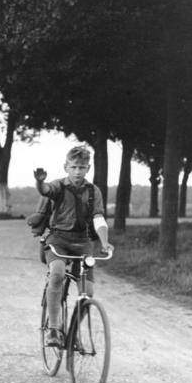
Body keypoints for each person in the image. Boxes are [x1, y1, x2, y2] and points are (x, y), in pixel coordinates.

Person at [34, 146, 114, 347]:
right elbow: (46, 190)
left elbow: (98, 218)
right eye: (74, 167)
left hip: (82, 242)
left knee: (88, 291)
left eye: (82, 167)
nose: (78, 171)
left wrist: (104, 242)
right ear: (66, 167)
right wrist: (40, 182)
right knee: (58, 273)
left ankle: (73, 334)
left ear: (88, 168)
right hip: (57, 240)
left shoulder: (93, 191)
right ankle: (53, 329)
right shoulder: (58, 186)